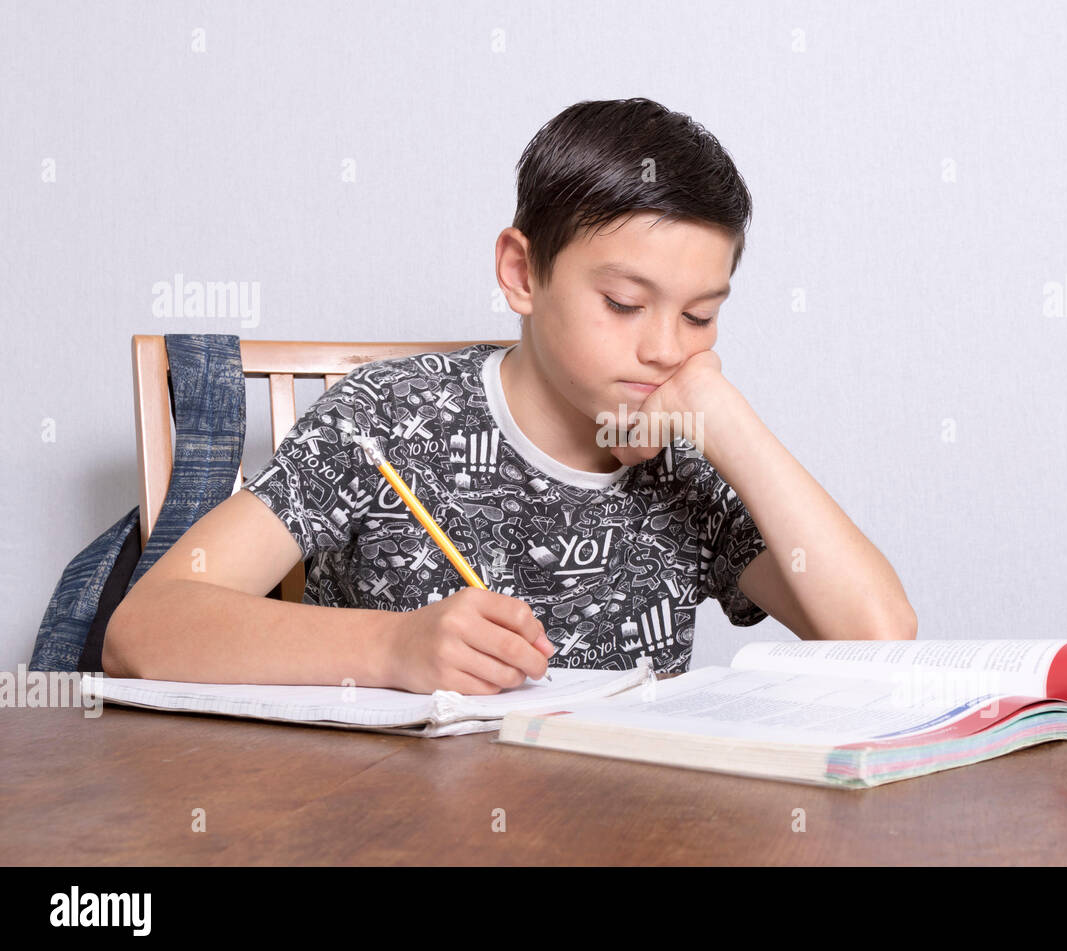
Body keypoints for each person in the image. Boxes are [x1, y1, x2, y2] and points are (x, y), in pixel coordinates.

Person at [104, 97, 916, 695]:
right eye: (626, 304)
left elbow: (880, 639)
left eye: (701, 315)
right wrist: (392, 650)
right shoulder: (387, 419)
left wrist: (728, 418)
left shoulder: (686, 453)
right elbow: (146, 629)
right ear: (522, 274)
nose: (667, 347)